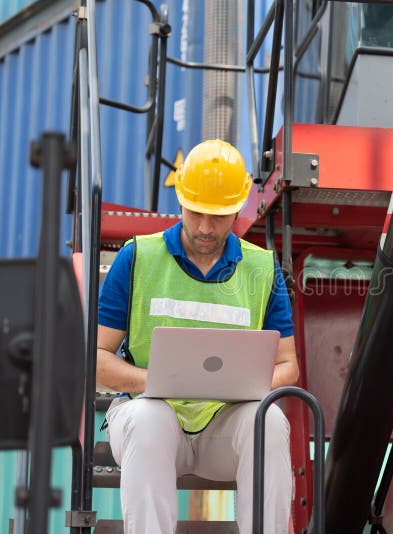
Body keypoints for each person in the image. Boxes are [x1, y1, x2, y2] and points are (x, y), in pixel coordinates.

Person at [96, 139, 298, 533]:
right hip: (149, 420)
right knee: (149, 416)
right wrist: (153, 383)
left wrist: (243, 386)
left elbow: (288, 365)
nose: (206, 228)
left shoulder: (262, 269)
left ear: (238, 207)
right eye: (196, 213)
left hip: (222, 429)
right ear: (181, 201)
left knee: (269, 420)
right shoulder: (137, 257)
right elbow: (99, 358)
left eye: (219, 216)